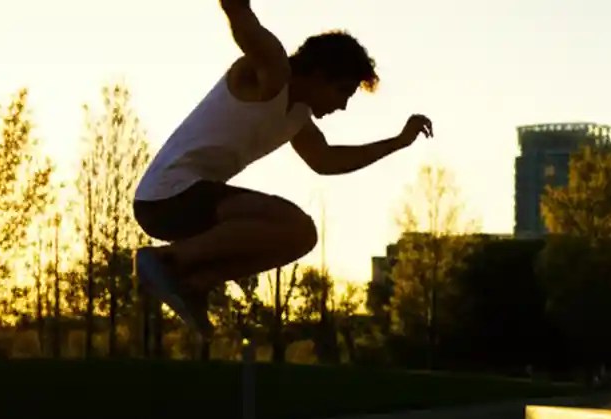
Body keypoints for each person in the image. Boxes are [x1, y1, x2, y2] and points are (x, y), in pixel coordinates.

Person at [132, 0, 433, 335]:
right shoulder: (271, 74)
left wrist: (398, 142)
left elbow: (326, 161)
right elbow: (241, 18)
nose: (343, 106)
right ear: (320, 74)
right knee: (286, 220)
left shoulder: (297, 117)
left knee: (300, 235)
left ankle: (196, 282)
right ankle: (167, 260)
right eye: (343, 91)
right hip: (166, 197)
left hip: (190, 205)